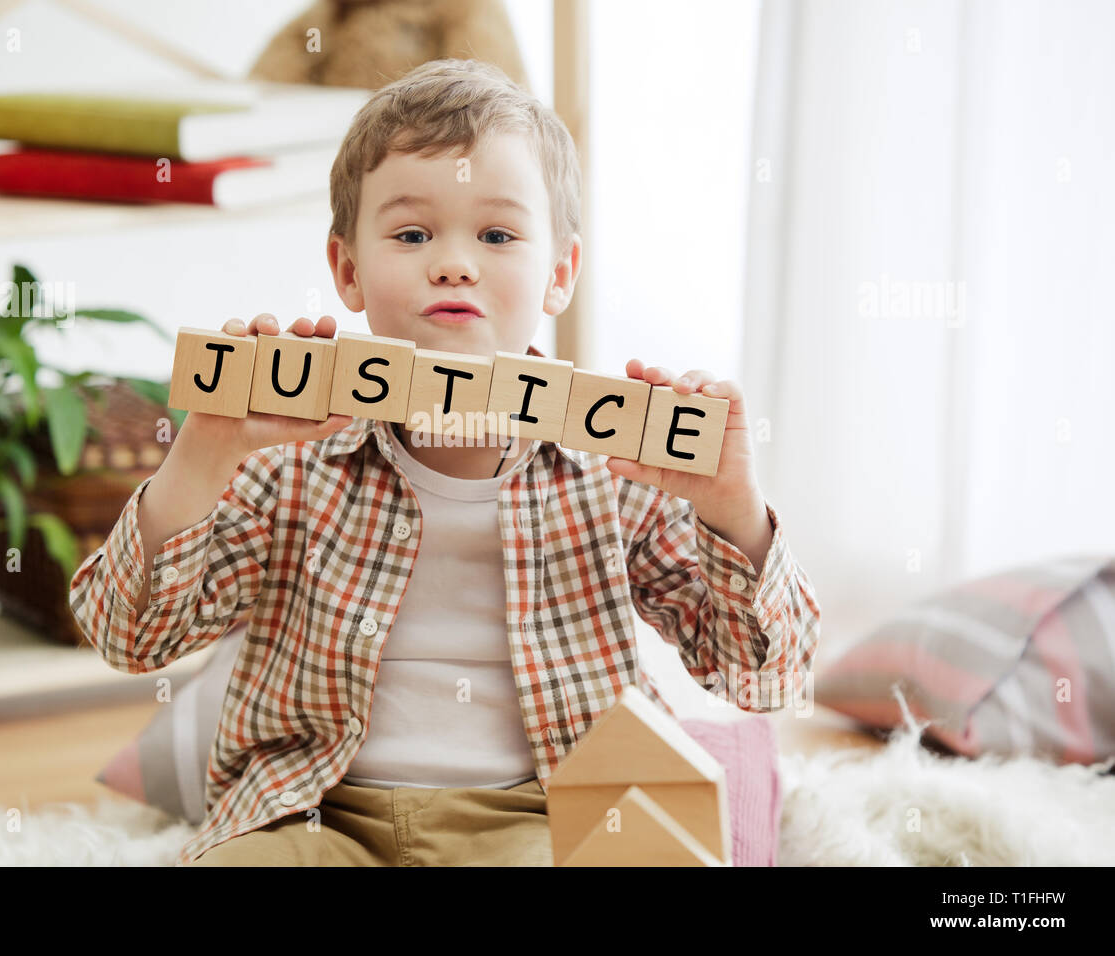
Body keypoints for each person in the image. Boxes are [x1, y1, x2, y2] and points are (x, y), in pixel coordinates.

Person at [68, 58, 822, 866]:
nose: (454, 262)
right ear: (348, 271)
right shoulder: (285, 459)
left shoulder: (616, 471)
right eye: (412, 234)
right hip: (315, 813)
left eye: (497, 235)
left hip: (541, 816)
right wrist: (201, 456)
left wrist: (732, 512)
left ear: (560, 273)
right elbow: (128, 638)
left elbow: (762, 683)